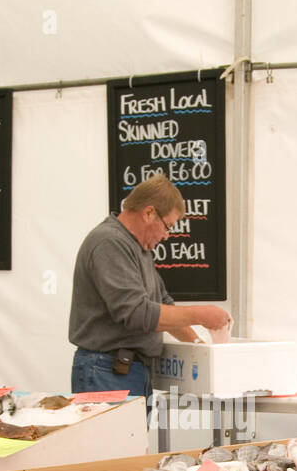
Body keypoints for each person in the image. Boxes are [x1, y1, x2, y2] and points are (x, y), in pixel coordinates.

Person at [68, 174, 231, 406]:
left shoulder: (138, 248)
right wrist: (201, 315)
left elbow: (162, 302)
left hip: (128, 371)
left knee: (134, 443)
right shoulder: (110, 243)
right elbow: (136, 313)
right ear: (148, 213)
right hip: (106, 372)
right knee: (114, 443)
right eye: (168, 226)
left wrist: (200, 347)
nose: (167, 236)